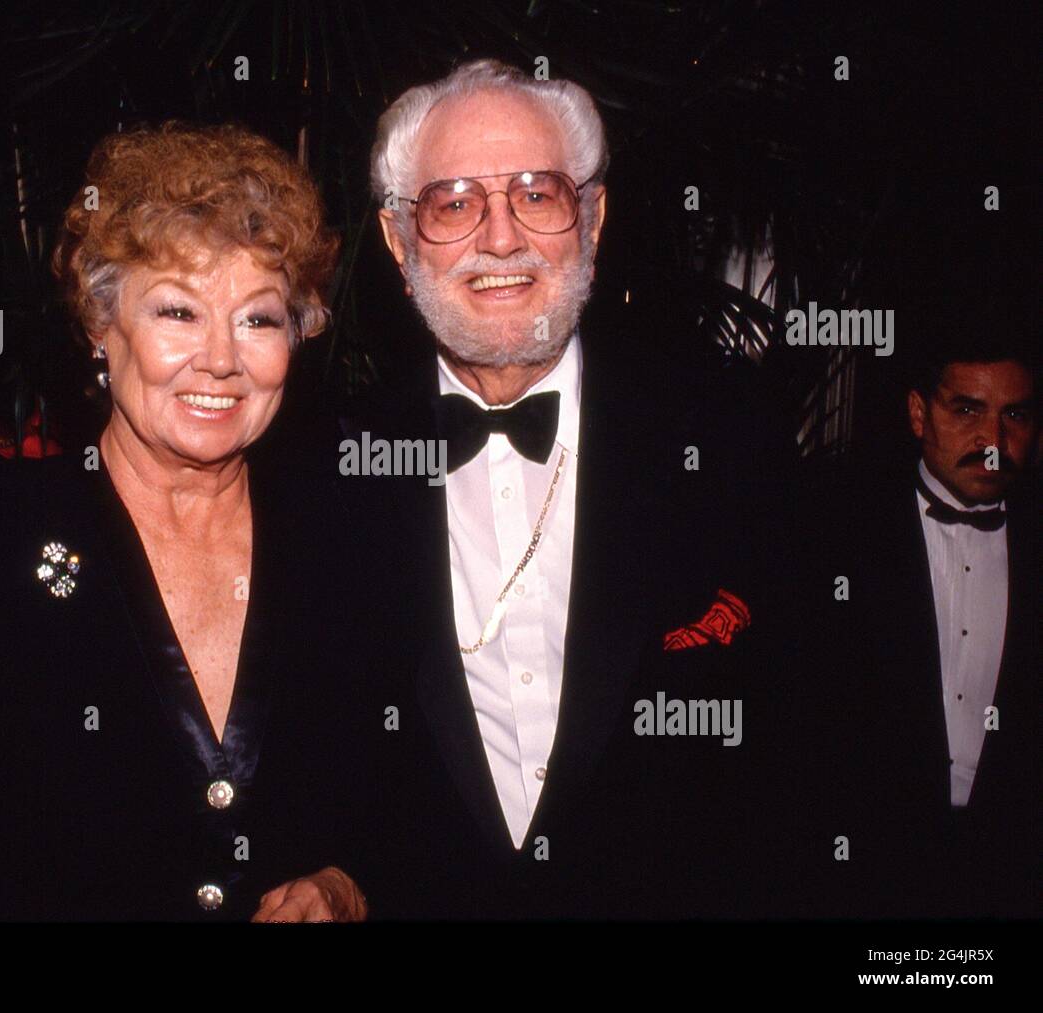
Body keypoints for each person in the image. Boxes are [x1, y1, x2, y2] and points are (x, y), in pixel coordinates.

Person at [0, 121, 369, 921]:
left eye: (258, 319)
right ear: (100, 326)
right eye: (178, 312)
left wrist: (345, 886)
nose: (222, 358)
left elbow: (402, 791)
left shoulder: (350, 541)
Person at [341, 59, 797, 918]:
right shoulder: (327, 467)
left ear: (591, 216)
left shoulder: (730, 441)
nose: (501, 237)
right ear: (400, 245)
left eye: (536, 194)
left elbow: (800, 753)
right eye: (455, 202)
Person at [804, 328, 1041, 917]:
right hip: (861, 877)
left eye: (1013, 415)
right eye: (967, 410)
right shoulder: (833, 533)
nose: (993, 441)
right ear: (918, 413)